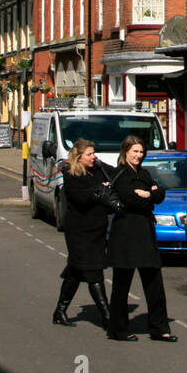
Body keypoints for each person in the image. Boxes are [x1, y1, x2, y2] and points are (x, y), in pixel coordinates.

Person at [106, 135, 176, 342]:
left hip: (145, 232)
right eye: (134, 151)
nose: (138, 155)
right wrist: (148, 196)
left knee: (154, 282)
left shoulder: (144, 174)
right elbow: (130, 200)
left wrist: (148, 195)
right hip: (125, 234)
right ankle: (118, 329)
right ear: (125, 151)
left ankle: (159, 328)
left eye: (141, 152)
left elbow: (160, 193)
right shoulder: (120, 174)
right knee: (122, 285)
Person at [52, 140, 123, 330]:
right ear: (78, 157)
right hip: (79, 232)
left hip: (96, 229)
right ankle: (108, 317)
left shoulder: (96, 169)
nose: (93, 157)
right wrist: (100, 188)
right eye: (89, 154)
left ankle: (60, 311)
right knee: (93, 271)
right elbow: (80, 198)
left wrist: (102, 166)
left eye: (94, 154)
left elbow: (116, 174)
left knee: (76, 270)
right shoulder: (71, 174)